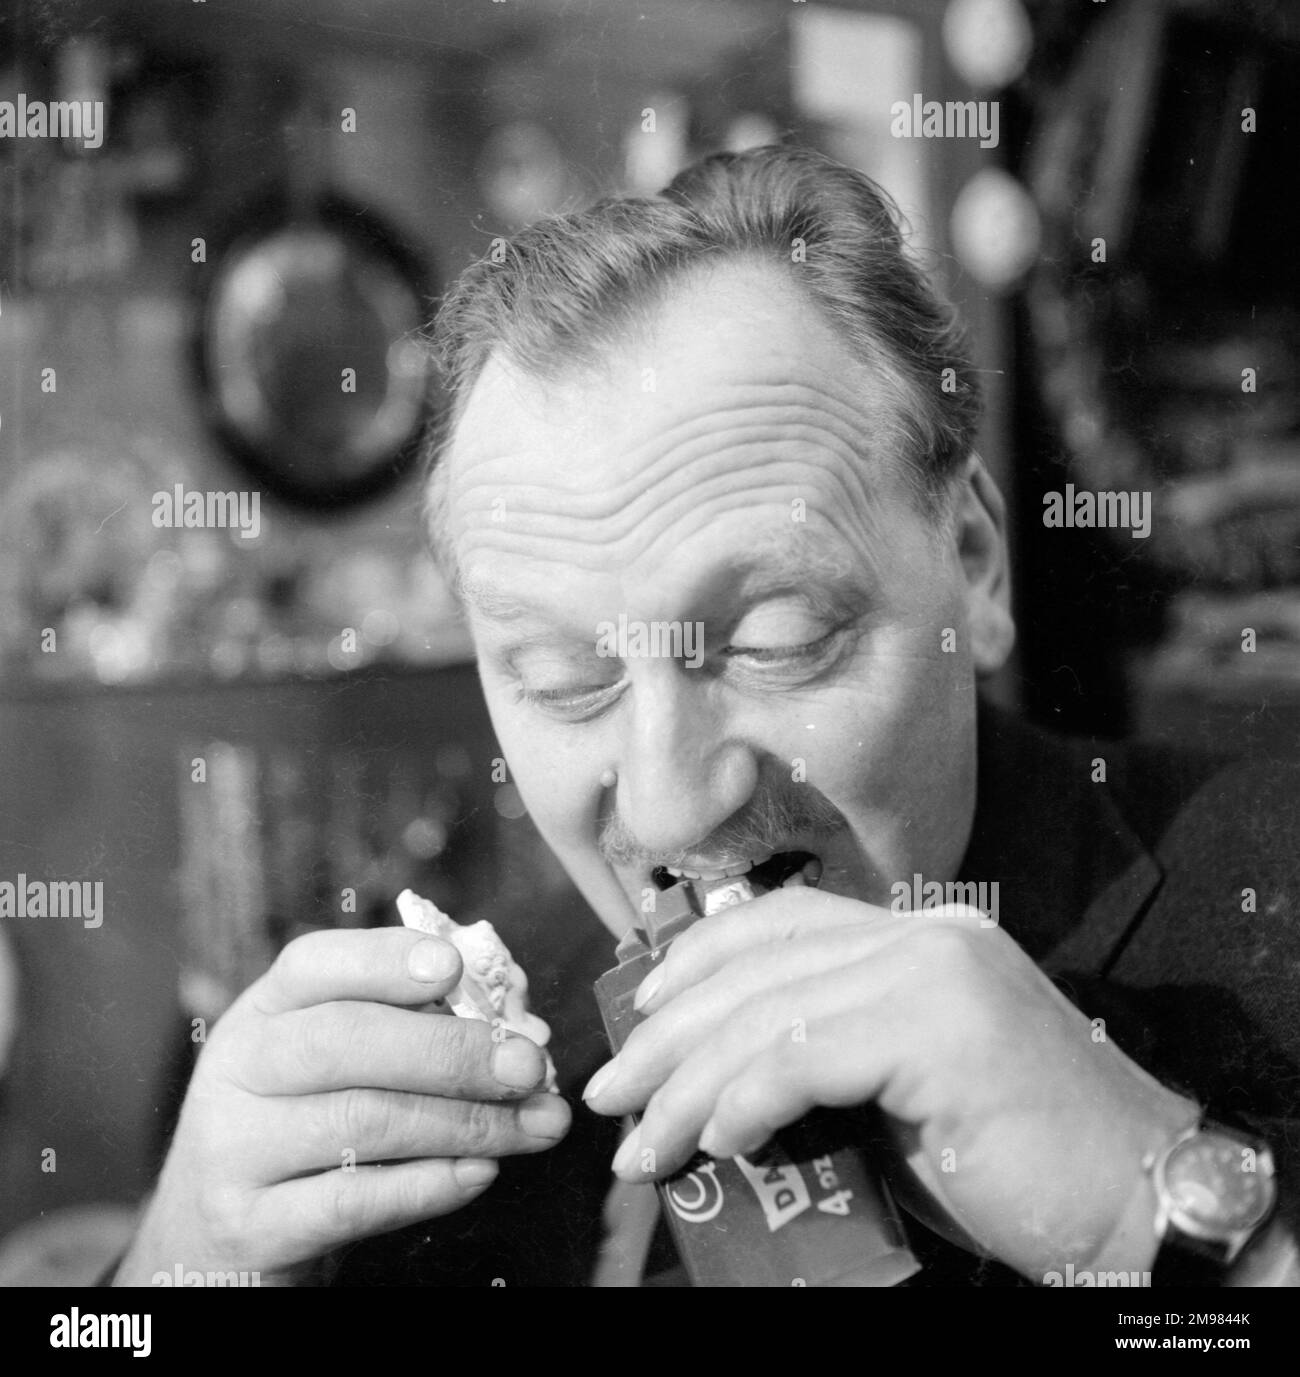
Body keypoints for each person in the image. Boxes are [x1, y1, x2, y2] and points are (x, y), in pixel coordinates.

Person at [112, 144, 1300, 1287]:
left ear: (977, 568)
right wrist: (177, 1265)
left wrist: (1162, 1216)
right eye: (563, 677)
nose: (673, 804)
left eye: (777, 644)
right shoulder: (451, 1087)